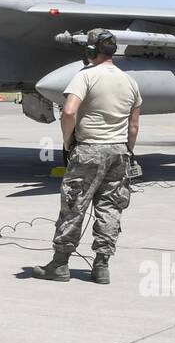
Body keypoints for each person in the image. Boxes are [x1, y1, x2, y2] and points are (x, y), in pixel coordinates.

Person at [32, 29, 142, 285]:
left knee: (74, 205)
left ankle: (59, 265)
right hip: (119, 151)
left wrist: (67, 141)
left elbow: (69, 111)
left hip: (89, 150)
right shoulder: (130, 82)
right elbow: (133, 127)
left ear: (91, 51)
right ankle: (102, 266)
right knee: (110, 207)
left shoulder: (85, 76)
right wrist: (128, 149)